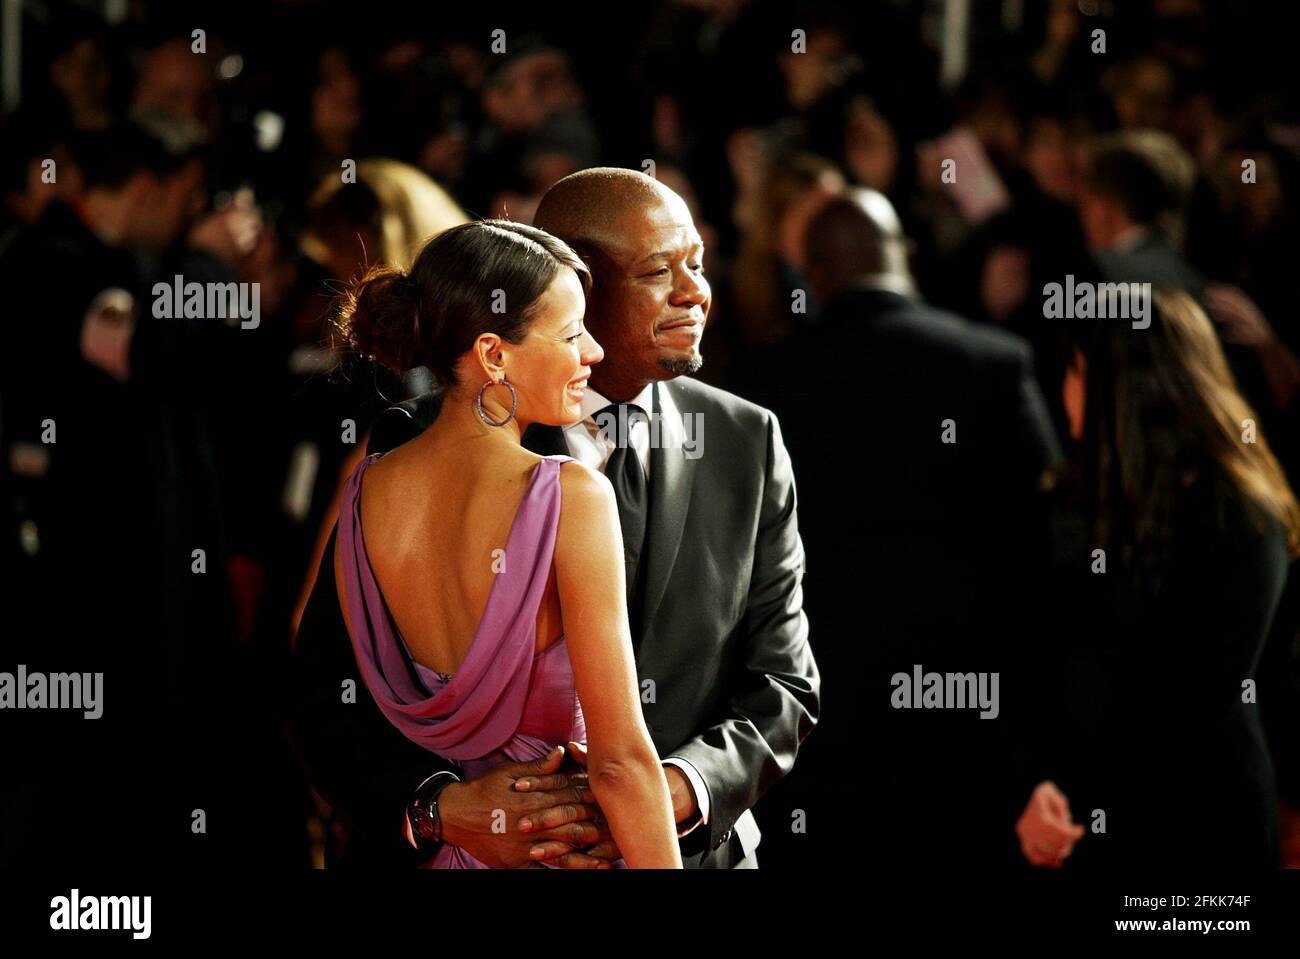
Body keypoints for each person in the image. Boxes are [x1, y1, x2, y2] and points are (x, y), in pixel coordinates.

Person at [290, 169, 819, 869]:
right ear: (576, 277)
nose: (696, 292)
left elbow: (784, 683)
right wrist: (439, 807)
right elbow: (327, 690)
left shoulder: (746, 438)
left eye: (697, 261)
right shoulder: (409, 443)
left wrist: (674, 792)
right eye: (660, 271)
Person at [295, 219, 680, 868]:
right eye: (571, 334)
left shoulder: (367, 490)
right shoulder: (570, 497)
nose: (595, 352)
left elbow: (321, 696)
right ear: (493, 355)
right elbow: (620, 762)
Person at [777, 186, 1062, 867]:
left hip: (822, 715)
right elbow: (1046, 546)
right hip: (970, 710)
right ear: (902, 254)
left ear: (816, 276)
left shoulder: (767, 382)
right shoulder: (994, 362)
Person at [1016, 290, 1300, 870]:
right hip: (1089, 818)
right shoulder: (1074, 498)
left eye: (1076, 369)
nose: (1063, 389)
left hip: (1199, 830)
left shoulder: (1237, 516)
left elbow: (1187, 706)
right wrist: (1038, 781)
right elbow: (1039, 661)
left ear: (1125, 390)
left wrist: (1071, 786)